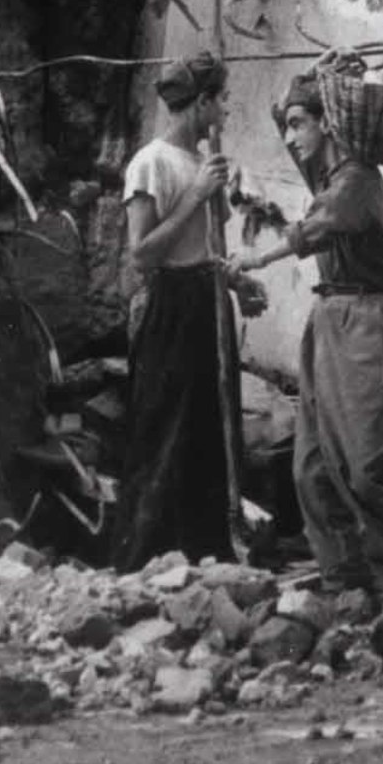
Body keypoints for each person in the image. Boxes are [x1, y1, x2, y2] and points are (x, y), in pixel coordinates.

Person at [221, 73, 383, 592]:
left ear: (327, 124)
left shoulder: (356, 179)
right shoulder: (327, 173)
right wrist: (309, 79)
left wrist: (256, 258)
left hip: (364, 320)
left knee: (367, 467)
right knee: (312, 466)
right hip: (328, 317)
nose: (291, 136)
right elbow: (291, 125)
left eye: (299, 124)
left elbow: (314, 229)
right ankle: (346, 578)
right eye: (289, 125)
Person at [116, 57, 234, 568]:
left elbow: (204, 246)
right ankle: (142, 558)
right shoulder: (152, 162)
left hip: (205, 298)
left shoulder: (203, 161)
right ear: (202, 102)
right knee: (163, 430)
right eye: (221, 99)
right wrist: (196, 195)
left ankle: (202, 556)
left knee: (205, 431)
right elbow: (142, 254)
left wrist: (238, 281)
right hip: (171, 305)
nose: (226, 110)